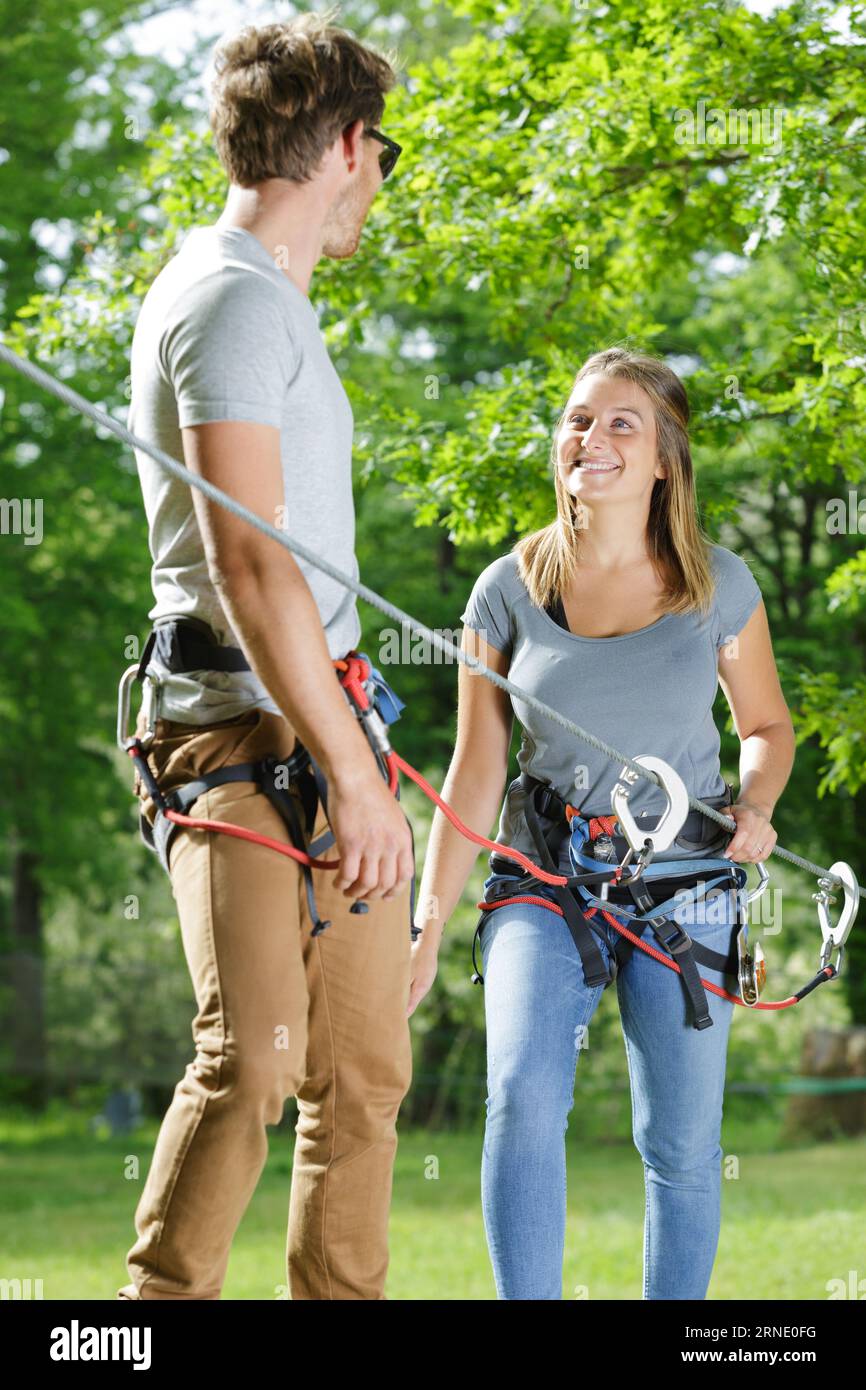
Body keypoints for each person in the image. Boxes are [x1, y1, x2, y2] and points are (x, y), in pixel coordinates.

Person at [117, 12, 414, 1301]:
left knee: (358, 1076)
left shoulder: (268, 303)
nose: (380, 181)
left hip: (330, 730)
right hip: (243, 741)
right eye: (383, 151)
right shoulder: (231, 301)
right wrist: (353, 780)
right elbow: (249, 565)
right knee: (255, 1060)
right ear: (347, 145)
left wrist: (356, 758)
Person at [408, 346, 796, 1300]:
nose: (593, 437)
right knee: (521, 1099)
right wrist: (424, 928)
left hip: (689, 887)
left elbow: (766, 728)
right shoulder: (507, 589)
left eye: (623, 422)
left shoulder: (720, 587)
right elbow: (477, 765)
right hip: (544, 883)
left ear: (665, 456)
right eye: (580, 418)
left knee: (680, 1142)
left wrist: (757, 804)